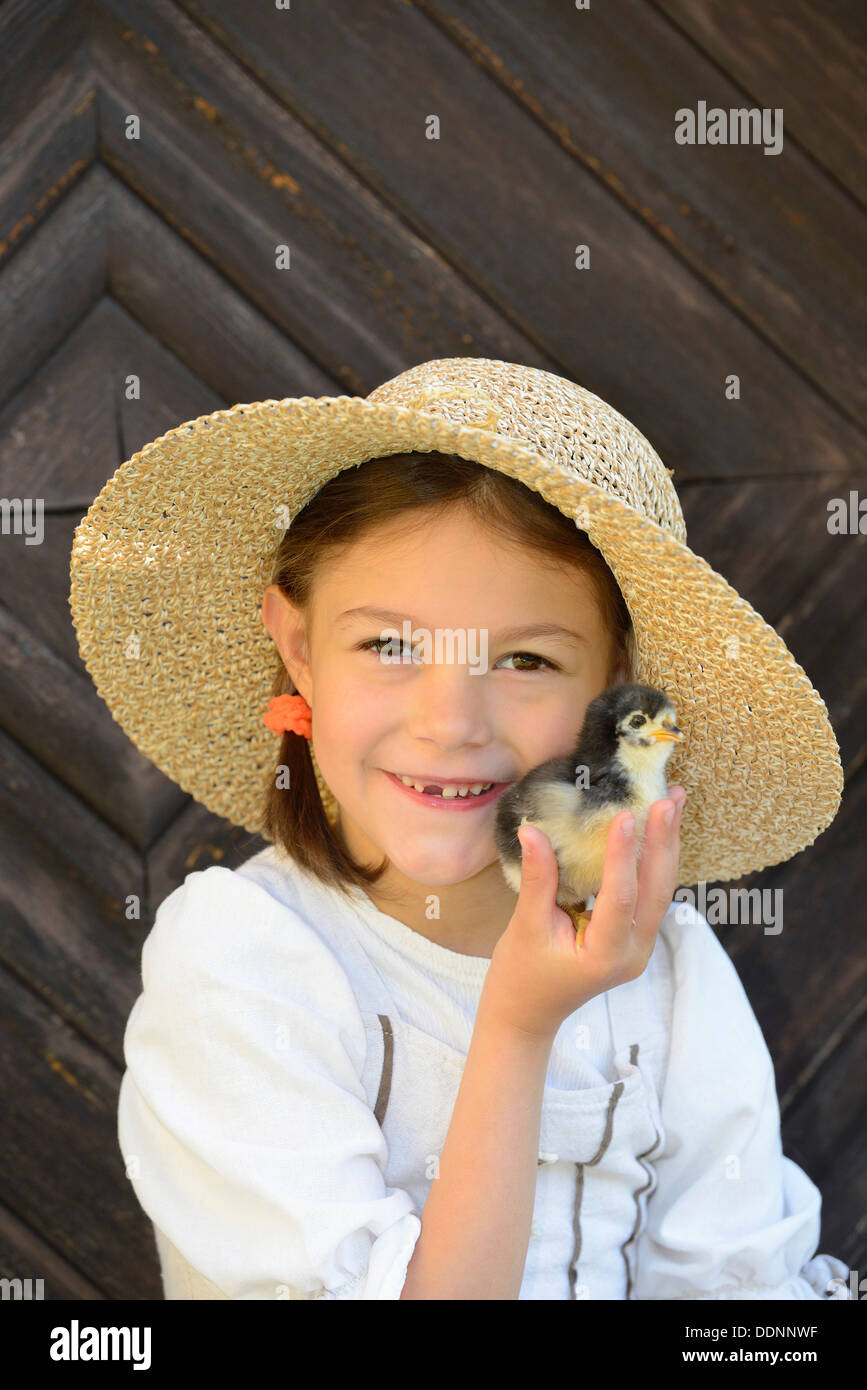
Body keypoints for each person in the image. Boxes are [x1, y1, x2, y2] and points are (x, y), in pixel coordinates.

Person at [69, 357, 851, 1299]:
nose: (450, 722)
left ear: (611, 695)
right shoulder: (245, 963)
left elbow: (740, 1302)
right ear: (299, 649)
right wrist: (518, 1028)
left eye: (524, 659)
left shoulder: (672, 972)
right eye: (389, 645)